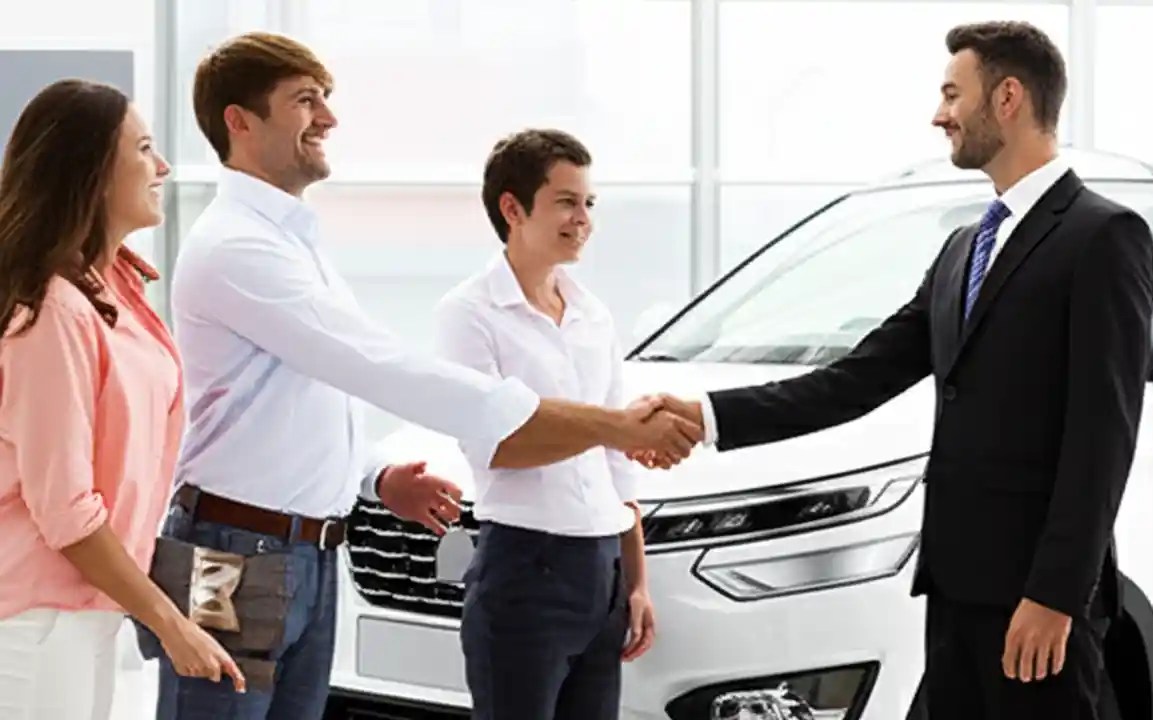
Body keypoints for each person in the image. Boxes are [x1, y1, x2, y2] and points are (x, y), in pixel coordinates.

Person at [155, 32, 698, 719]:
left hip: (304, 553)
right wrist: (614, 427)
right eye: (305, 101)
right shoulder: (235, 246)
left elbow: (311, 396)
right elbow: (379, 365)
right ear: (240, 120)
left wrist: (375, 478)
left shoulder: (288, 241)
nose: (329, 118)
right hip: (230, 554)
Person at [642, 21, 1153, 720]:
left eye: (953, 94)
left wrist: (1056, 595)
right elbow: (855, 380)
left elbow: (1103, 436)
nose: (940, 115)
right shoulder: (963, 249)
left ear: (1007, 98)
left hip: (1035, 599)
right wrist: (703, 416)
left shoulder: (1104, 235)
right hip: (953, 592)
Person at [0, 79, 245, 720]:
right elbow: (65, 510)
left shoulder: (113, 287)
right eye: (142, 149)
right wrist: (170, 623)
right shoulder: (54, 312)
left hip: (88, 611)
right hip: (35, 619)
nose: (162, 166)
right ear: (91, 172)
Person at [433, 129, 656, 720]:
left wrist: (637, 583)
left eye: (588, 204)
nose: (583, 219)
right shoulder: (468, 314)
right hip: (525, 571)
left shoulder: (593, 314)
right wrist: (613, 427)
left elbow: (617, 466)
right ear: (513, 209)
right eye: (566, 202)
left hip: (602, 572)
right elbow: (497, 445)